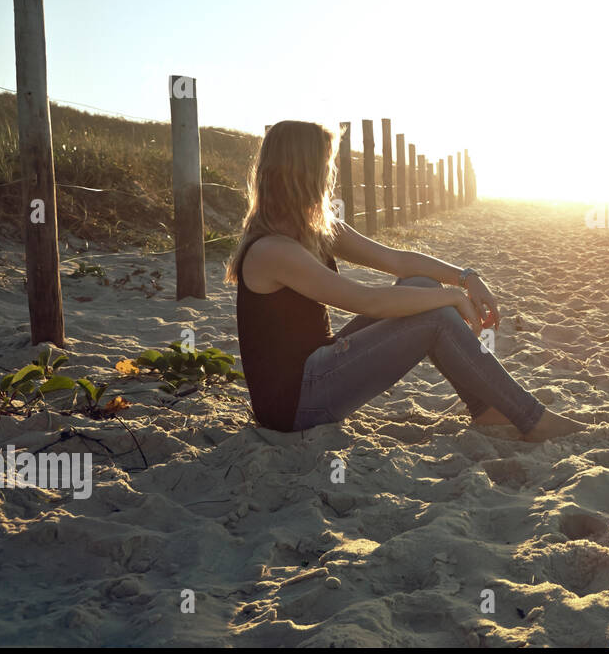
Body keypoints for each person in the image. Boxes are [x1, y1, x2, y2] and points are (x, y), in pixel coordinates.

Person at [223, 120, 583, 441]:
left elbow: (398, 261)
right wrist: (452, 300)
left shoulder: (313, 229)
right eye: (326, 164)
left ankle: (487, 409)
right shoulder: (273, 250)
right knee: (436, 317)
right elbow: (369, 302)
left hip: (319, 367)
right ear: (305, 172)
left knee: (424, 285)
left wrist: (466, 278)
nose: (330, 173)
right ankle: (532, 420)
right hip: (295, 405)